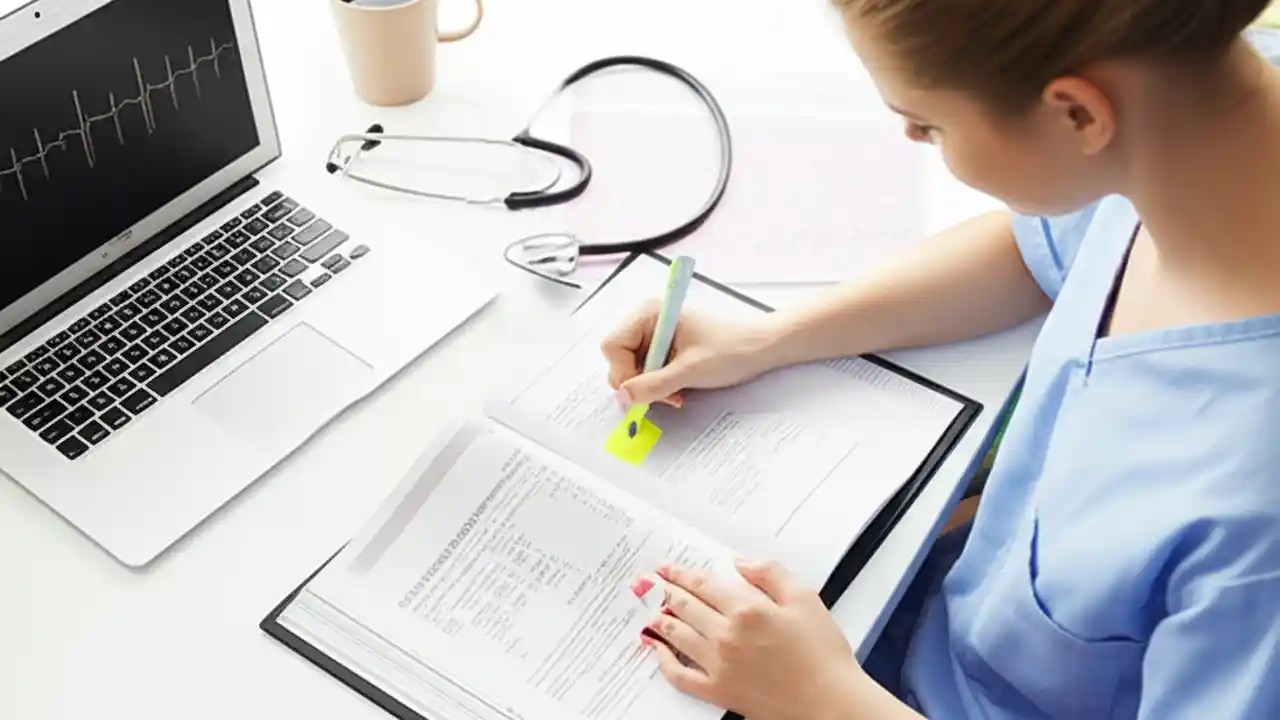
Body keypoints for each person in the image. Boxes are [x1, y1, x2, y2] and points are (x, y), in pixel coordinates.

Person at [600, 1, 1280, 718]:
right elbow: (1031, 247)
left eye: (928, 124)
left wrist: (821, 699)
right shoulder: (1201, 106)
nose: (911, 135)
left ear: (1077, 114)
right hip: (909, 618)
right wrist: (767, 337)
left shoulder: (1254, 520)